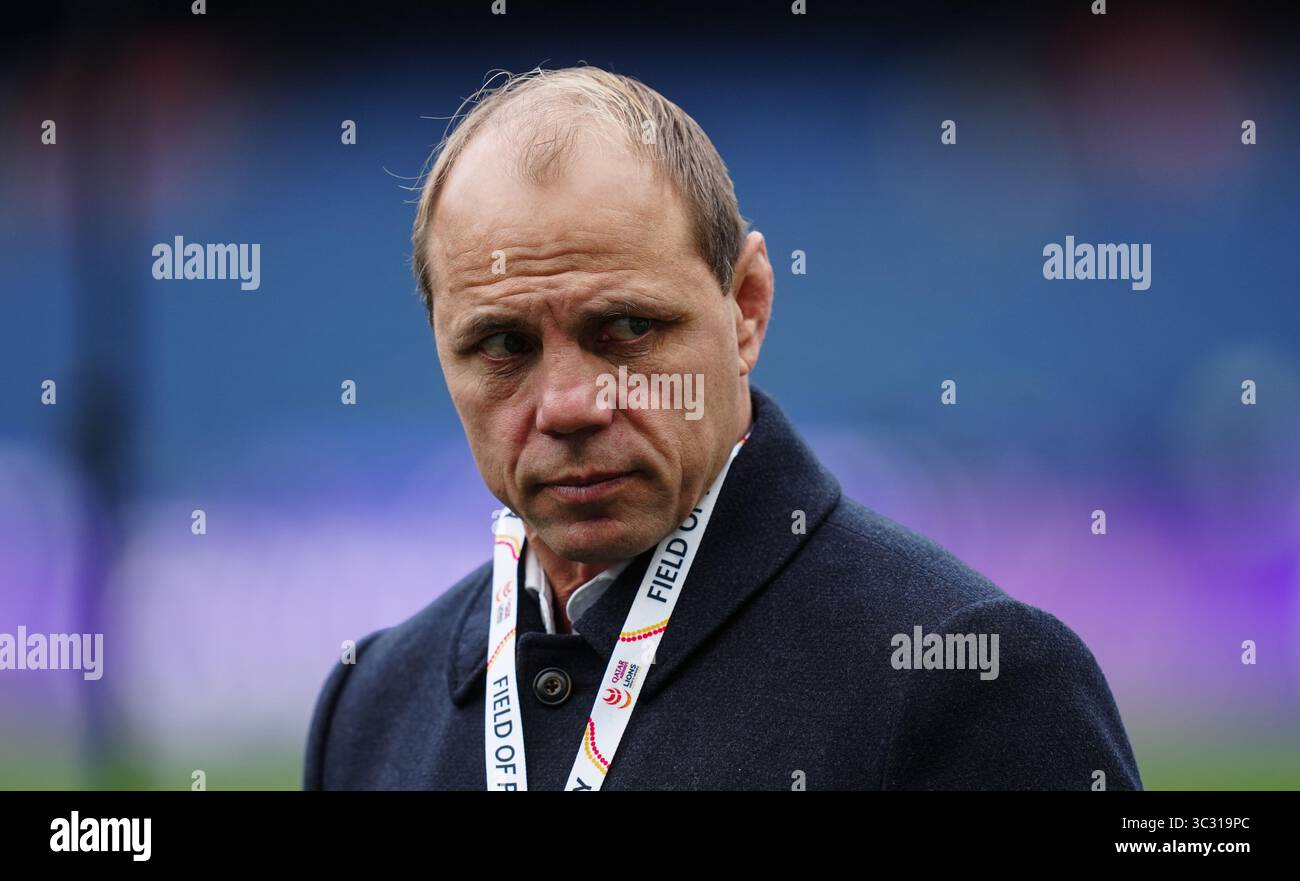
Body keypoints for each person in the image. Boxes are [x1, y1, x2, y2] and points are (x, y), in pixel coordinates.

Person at [303, 66, 1142, 790]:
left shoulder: (968, 676)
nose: (567, 404)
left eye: (626, 329)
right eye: (502, 344)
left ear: (746, 309)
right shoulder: (370, 709)